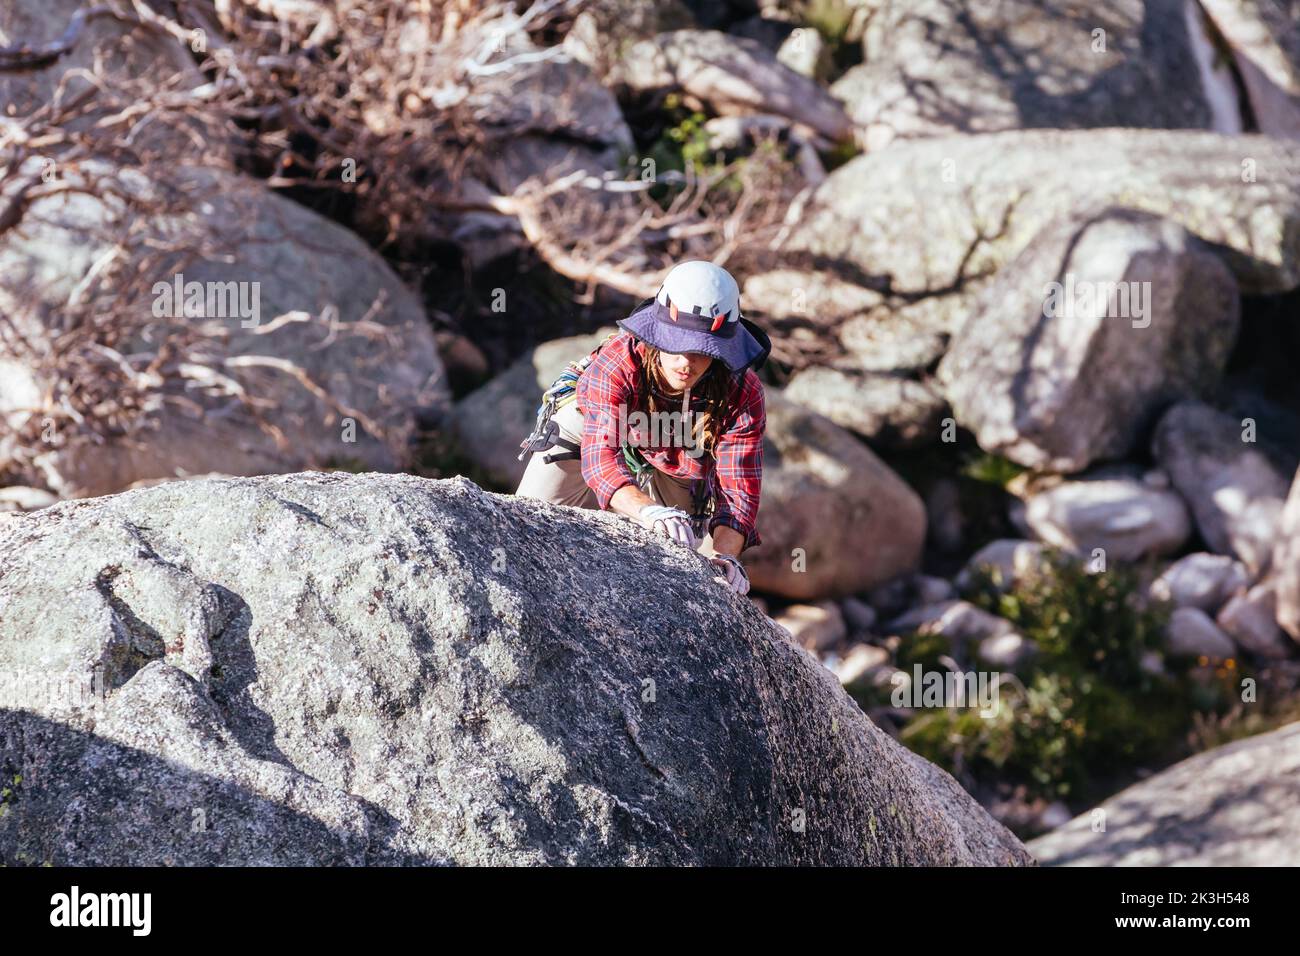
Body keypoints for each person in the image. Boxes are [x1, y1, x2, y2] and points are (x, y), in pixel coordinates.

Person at [514, 261, 769, 594]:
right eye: (678, 343)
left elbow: (738, 490)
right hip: (591, 437)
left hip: (680, 464)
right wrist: (647, 512)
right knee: (524, 528)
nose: (686, 362)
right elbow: (600, 455)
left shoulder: (742, 392)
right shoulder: (620, 361)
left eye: (703, 350)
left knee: (692, 575)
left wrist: (726, 556)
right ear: (659, 331)